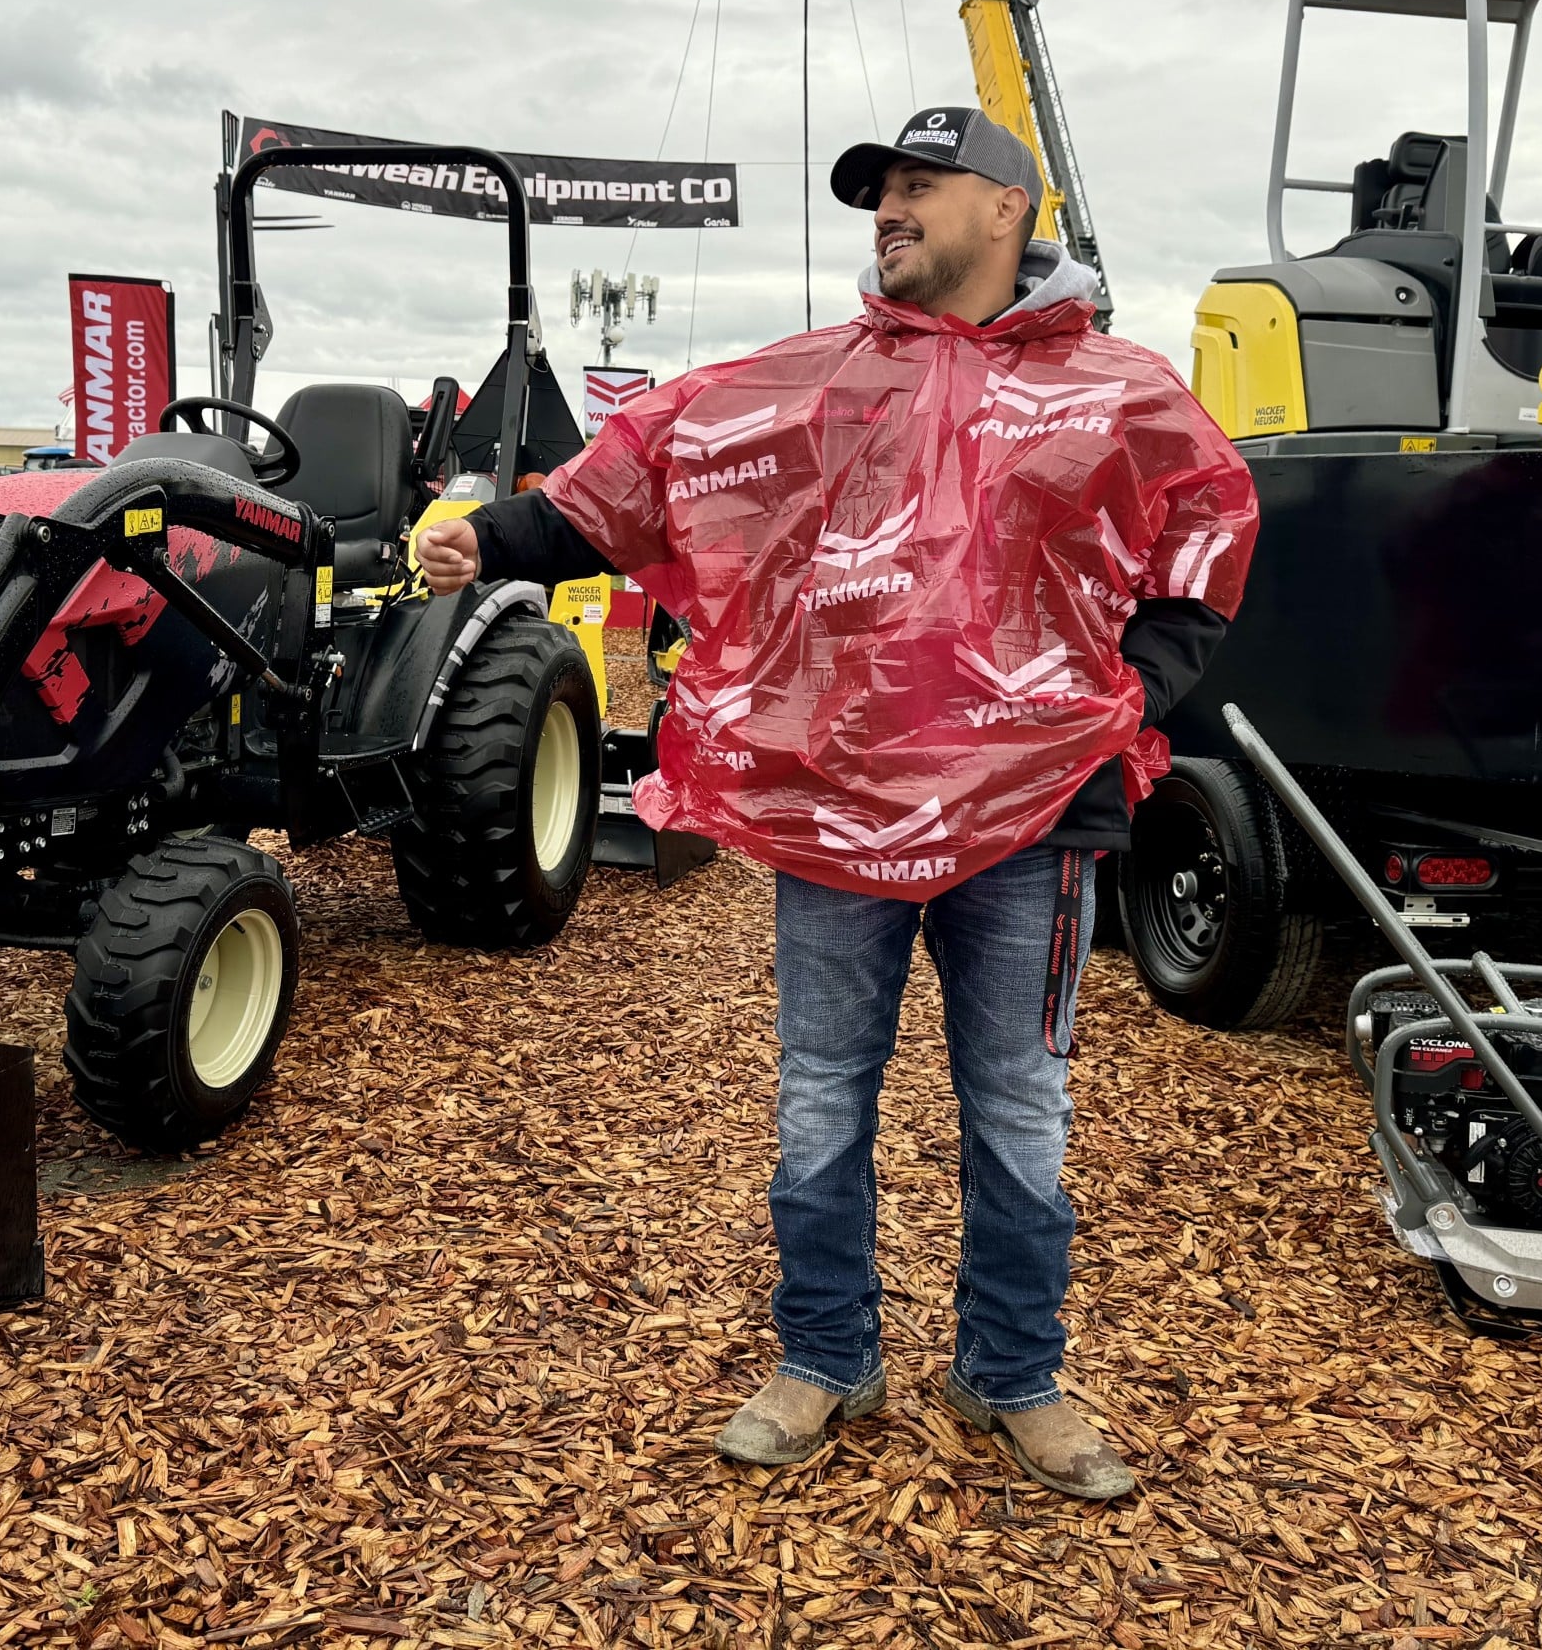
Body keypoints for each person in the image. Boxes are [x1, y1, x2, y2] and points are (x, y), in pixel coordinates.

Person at [417, 107, 1257, 1501]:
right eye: (880, 193)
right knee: (820, 1102)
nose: (892, 210)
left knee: (1018, 1106)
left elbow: (1208, 527)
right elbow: (651, 461)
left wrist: (1133, 695)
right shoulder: (818, 385)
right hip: (839, 812)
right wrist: (492, 534)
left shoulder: (1119, 391)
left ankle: (1015, 1377)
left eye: (922, 187)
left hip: (1033, 821)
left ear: (1008, 207)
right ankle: (824, 1356)